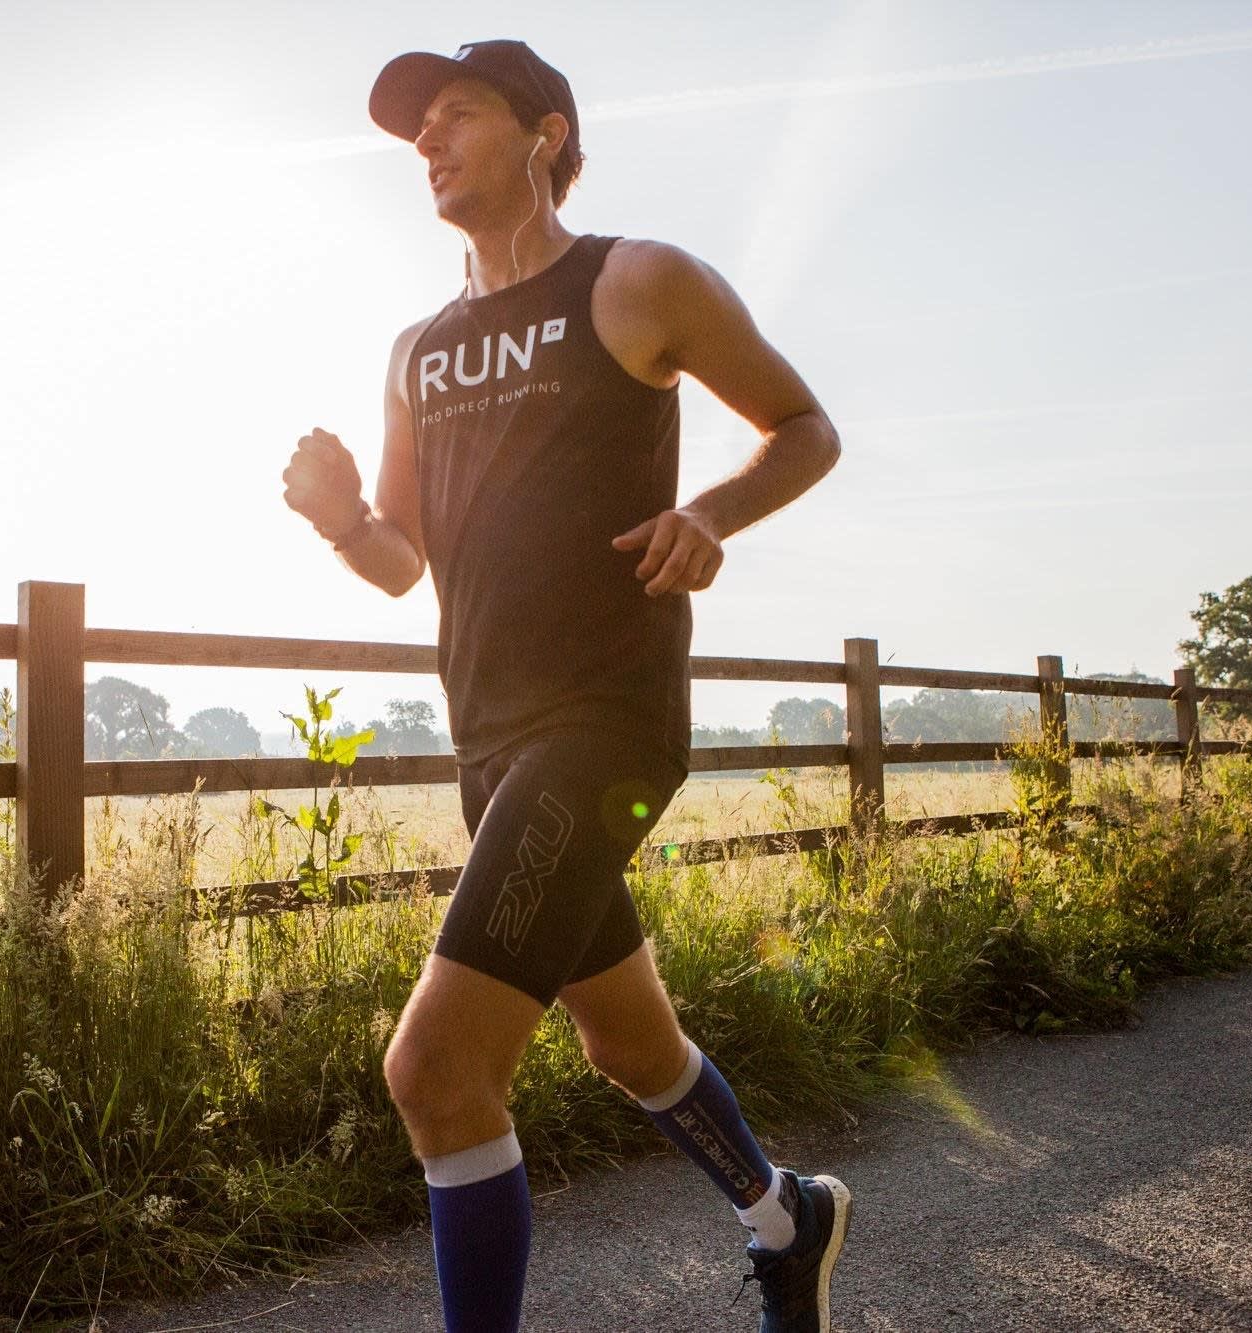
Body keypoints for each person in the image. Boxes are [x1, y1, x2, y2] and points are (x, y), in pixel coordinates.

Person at [280, 38, 847, 1332]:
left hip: (606, 725)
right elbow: (398, 559)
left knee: (434, 1068)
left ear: (545, 133)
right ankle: (786, 1215)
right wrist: (336, 516)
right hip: (491, 745)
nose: (426, 140)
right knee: (628, 1045)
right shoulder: (417, 351)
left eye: (455, 113)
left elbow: (805, 425)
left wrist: (715, 509)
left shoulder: (635, 281)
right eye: (416, 127)